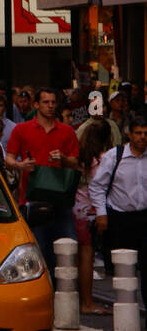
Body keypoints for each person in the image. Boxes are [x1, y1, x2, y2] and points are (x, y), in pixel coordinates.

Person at [6, 87, 79, 275]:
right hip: (33, 200)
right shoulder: (21, 129)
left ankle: (64, 295)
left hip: (61, 200)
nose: (50, 106)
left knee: (67, 252)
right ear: (36, 105)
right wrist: (21, 166)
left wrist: (62, 158)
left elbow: (75, 162)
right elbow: (9, 158)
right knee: (38, 254)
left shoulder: (67, 131)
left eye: (53, 102)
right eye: (46, 102)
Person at [89, 115, 147, 308]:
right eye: (138, 133)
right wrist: (101, 214)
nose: (142, 137)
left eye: (146, 133)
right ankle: (125, 309)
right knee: (124, 268)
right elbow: (97, 186)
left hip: (144, 217)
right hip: (121, 218)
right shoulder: (115, 156)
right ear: (130, 134)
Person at [75, 118, 114, 315]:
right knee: (87, 256)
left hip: (76, 209)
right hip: (91, 212)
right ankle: (87, 302)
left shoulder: (80, 156)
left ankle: (78, 299)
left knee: (77, 256)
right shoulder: (103, 158)